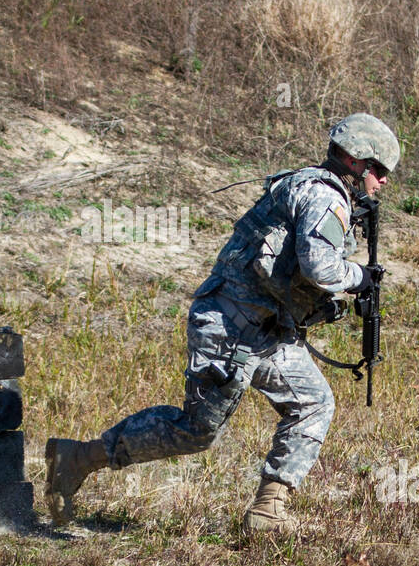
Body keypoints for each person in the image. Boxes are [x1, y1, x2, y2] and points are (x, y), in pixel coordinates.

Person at [45, 113, 400, 534]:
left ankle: (268, 510)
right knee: (197, 432)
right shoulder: (325, 196)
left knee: (313, 402)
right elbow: (320, 267)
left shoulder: (314, 188)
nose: (382, 180)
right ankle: (78, 458)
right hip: (229, 326)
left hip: (267, 330)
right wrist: (361, 278)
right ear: (355, 160)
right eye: (378, 169)